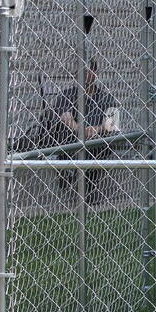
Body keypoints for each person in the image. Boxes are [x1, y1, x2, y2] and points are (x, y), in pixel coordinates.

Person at [49, 60, 119, 205]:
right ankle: (68, 174)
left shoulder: (106, 98)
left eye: (86, 72)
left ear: (95, 73)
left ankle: (87, 190)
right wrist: (81, 130)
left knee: (94, 148)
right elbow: (65, 117)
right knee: (68, 136)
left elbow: (112, 123)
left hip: (97, 142)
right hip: (71, 140)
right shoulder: (67, 95)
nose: (82, 76)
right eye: (77, 73)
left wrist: (96, 129)